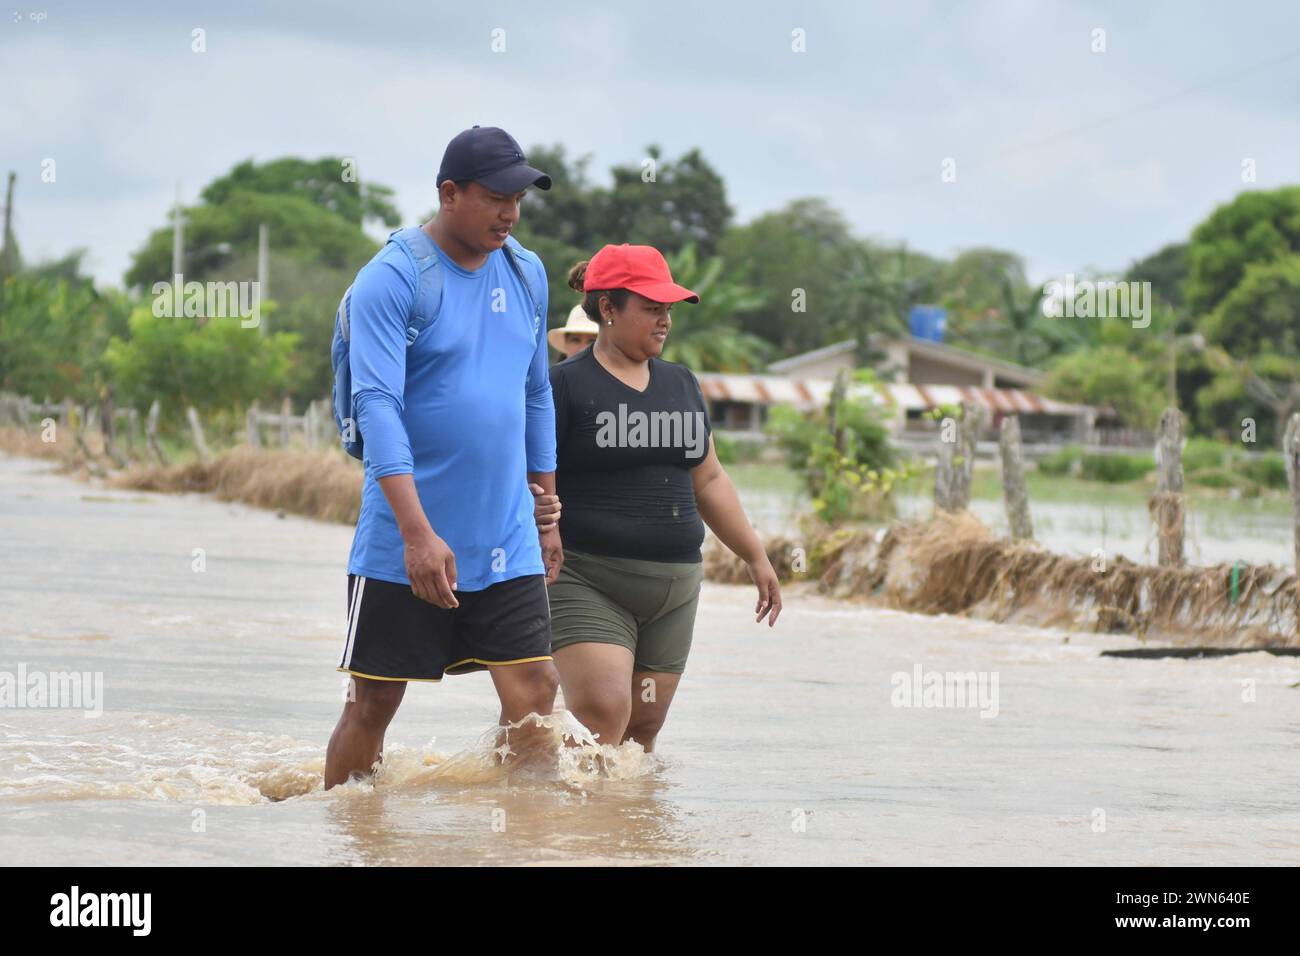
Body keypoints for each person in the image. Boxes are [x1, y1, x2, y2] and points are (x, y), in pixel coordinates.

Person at [324, 126, 563, 789]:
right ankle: (347, 838)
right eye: (496, 198)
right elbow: (376, 407)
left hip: (506, 533)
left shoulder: (526, 272)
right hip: (407, 536)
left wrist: (547, 511)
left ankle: (527, 842)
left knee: (536, 692)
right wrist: (417, 535)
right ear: (449, 193)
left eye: (519, 198)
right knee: (374, 701)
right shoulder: (395, 278)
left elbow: (535, 392)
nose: (511, 213)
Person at [542, 243, 782, 753]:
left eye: (668, 309)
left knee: (642, 731)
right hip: (586, 578)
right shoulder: (562, 385)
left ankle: (628, 833)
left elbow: (710, 479)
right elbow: (532, 476)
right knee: (602, 717)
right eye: (651, 308)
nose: (664, 320)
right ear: (609, 308)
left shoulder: (682, 384)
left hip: (672, 588)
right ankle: (561, 831)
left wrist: (755, 555)